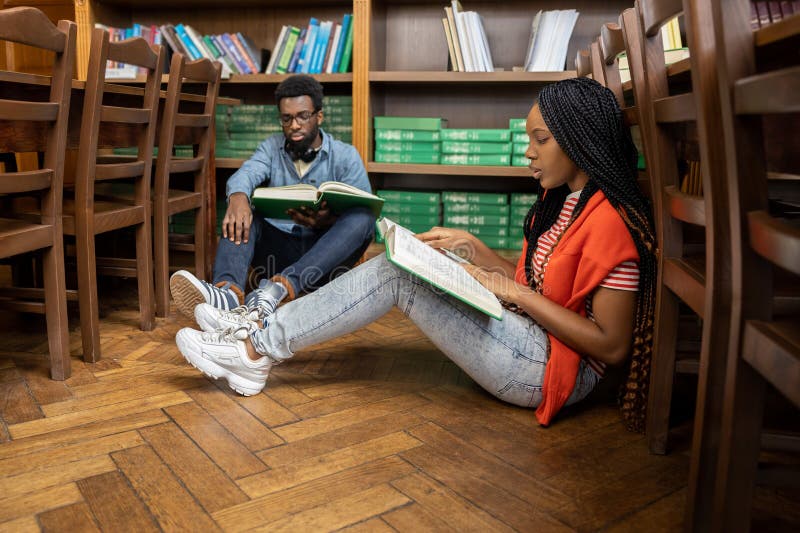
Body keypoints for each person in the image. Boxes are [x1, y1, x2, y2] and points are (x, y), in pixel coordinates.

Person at [175, 77, 657, 431]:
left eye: (541, 140)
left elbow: (612, 347)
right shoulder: (566, 202)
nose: (528, 153)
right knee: (411, 261)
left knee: (396, 271)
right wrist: (473, 248)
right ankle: (248, 321)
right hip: (535, 343)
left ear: (579, 139)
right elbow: (540, 284)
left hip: (551, 371)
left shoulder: (610, 221)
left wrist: (509, 290)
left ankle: (253, 345)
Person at [169, 74, 375, 326]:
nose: (294, 125)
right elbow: (247, 172)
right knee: (244, 212)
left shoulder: (346, 155)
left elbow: (365, 212)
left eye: (303, 116)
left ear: (318, 116)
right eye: (286, 118)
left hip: (326, 260)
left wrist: (327, 221)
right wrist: (237, 197)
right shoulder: (270, 147)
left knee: (363, 217)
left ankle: (279, 289)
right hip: (278, 254)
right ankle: (228, 295)